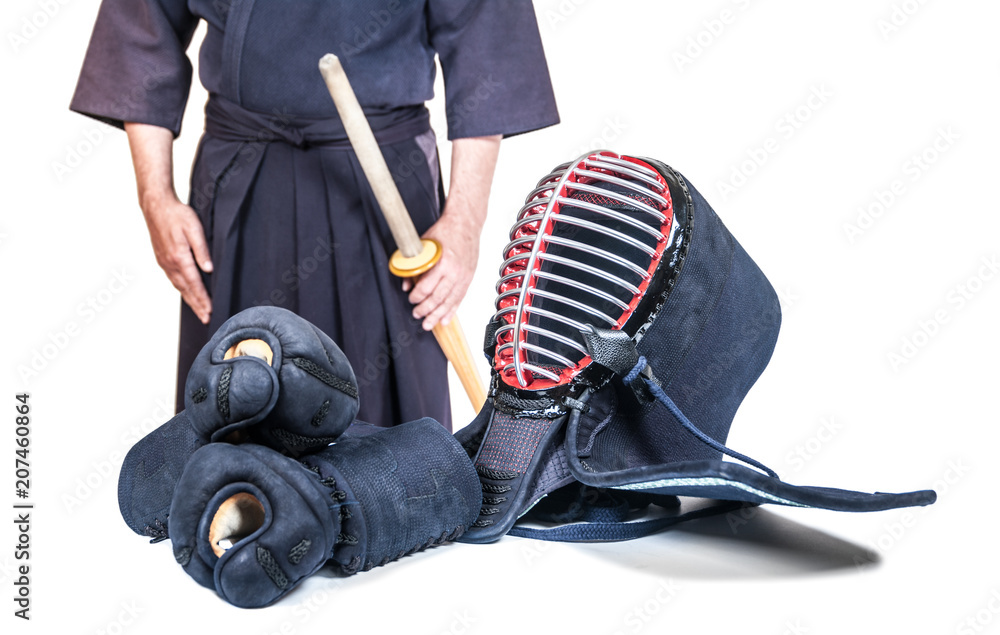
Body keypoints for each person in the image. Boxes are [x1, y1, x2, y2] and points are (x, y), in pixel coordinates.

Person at [70, 1, 560, 430]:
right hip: (242, 173)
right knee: (238, 405)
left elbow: (486, 42)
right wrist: (155, 196)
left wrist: (465, 221)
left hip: (384, 187)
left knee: (393, 447)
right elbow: (139, 34)